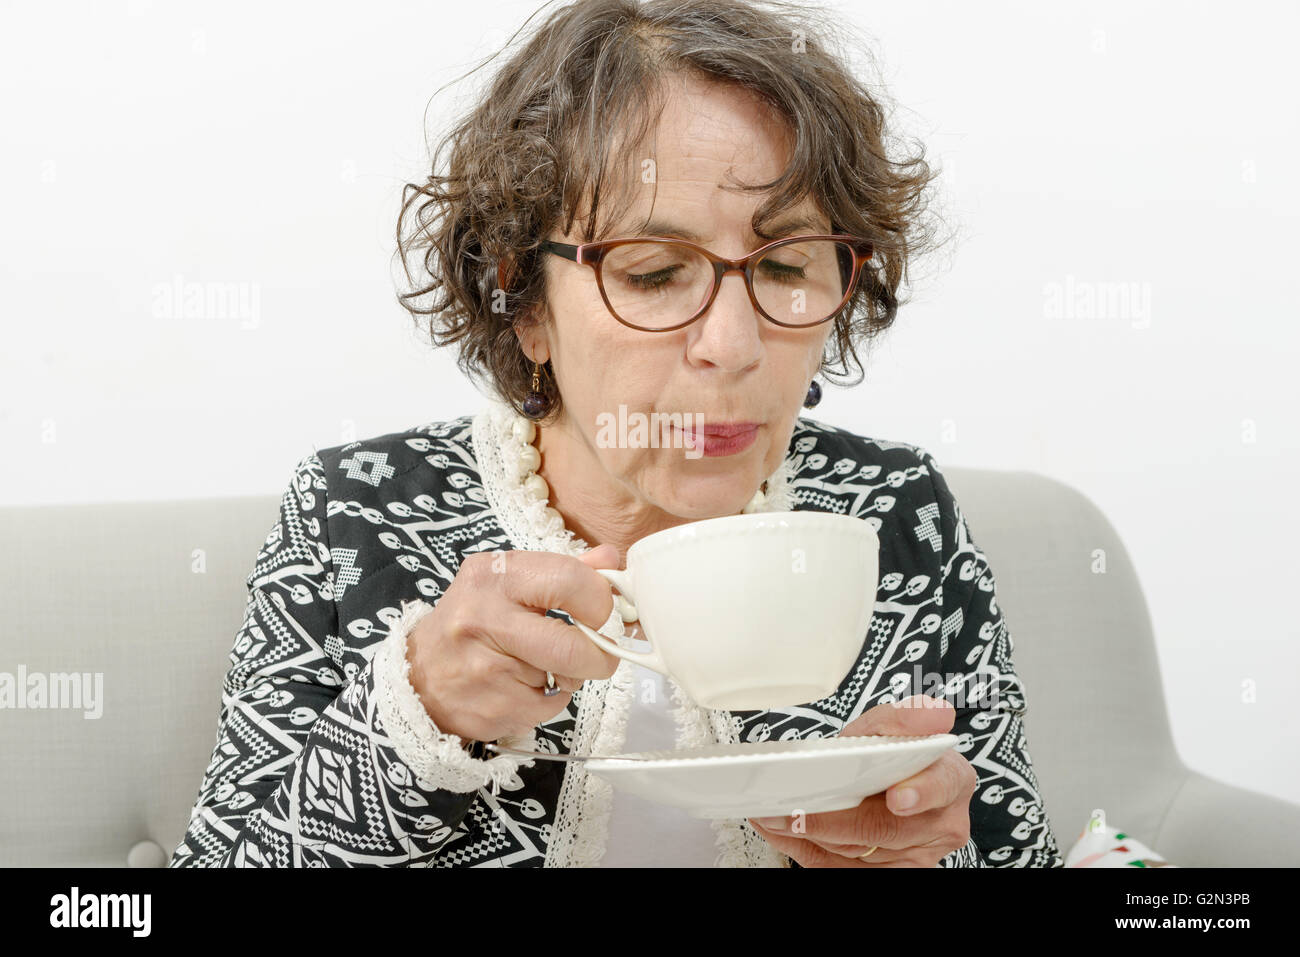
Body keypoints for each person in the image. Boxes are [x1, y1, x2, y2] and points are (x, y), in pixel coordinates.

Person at [170, 0, 1064, 868]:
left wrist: (908, 857)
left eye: (787, 265)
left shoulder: (899, 515)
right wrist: (413, 717)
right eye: (654, 273)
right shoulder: (355, 510)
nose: (732, 345)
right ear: (524, 303)